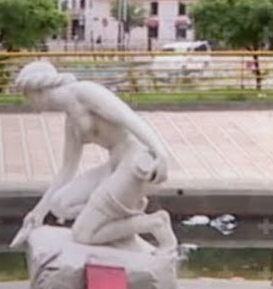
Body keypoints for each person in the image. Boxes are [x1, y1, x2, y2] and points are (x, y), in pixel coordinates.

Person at [9, 60, 174, 249]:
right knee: (60, 204)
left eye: (26, 95)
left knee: (83, 234)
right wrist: (37, 213)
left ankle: (154, 223)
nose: (28, 101)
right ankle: (113, 223)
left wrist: (161, 154)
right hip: (115, 164)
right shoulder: (71, 120)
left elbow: (130, 118)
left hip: (137, 161)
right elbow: (67, 170)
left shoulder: (85, 92)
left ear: (37, 89)